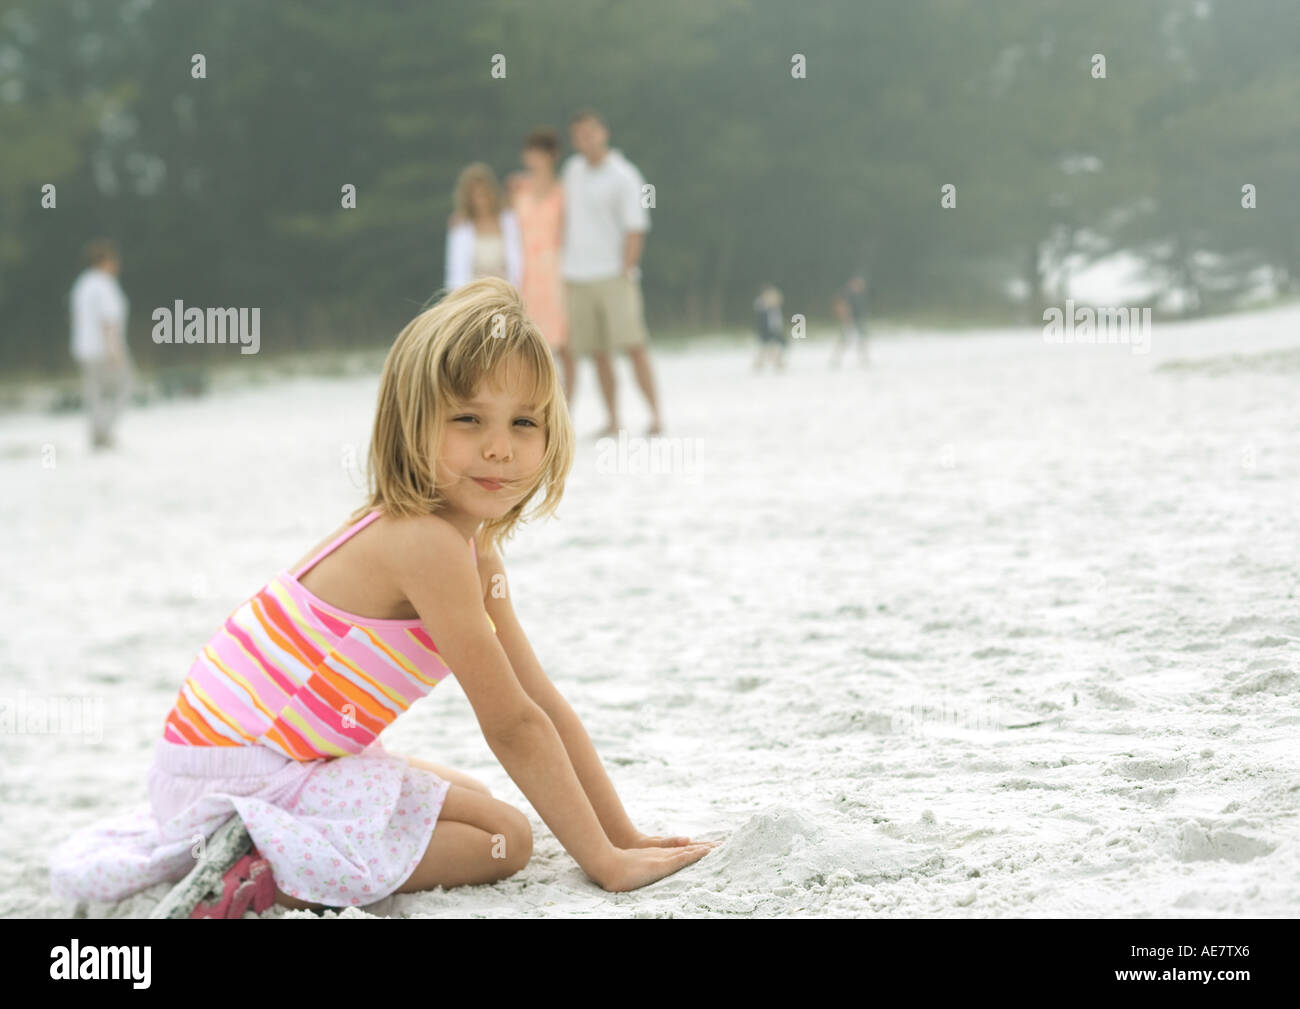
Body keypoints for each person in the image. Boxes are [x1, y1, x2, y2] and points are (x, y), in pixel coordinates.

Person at [47, 277, 719, 916]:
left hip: (243, 757)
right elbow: (510, 721)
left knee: (477, 803)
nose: (498, 448)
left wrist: (624, 835)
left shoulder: (468, 546)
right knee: (505, 839)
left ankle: (270, 843)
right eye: (467, 418)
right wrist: (602, 861)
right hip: (242, 772)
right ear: (411, 421)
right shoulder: (422, 543)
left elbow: (538, 697)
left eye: (524, 423)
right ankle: (260, 867)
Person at [560, 108, 663, 437]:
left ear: (604, 132)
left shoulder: (624, 175)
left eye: (590, 132)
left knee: (634, 346)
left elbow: (636, 227)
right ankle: (613, 420)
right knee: (596, 353)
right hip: (576, 275)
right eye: (578, 134)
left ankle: (656, 415)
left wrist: (626, 269)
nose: (585, 139)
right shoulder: (572, 171)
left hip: (614, 276)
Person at [507, 127, 574, 405]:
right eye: (530, 151)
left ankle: (567, 406)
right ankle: (535, 403)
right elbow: (504, 226)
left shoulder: (563, 192)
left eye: (541, 152)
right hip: (525, 272)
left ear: (552, 155)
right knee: (528, 342)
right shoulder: (517, 188)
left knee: (565, 344)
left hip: (556, 271)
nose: (534, 158)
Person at [69, 238, 132, 450]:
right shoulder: (105, 284)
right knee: (125, 385)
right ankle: (104, 432)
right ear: (104, 261)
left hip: (84, 348)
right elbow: (108, 320)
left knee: (94, 392)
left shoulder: (82, 283)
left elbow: (77, 317)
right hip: (104, 348)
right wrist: (114, 349)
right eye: (114, 259)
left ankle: (96, 434)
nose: (117, 264)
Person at [445, 163, 522, 292]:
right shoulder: (461, 228)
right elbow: (455, 272)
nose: (481, 200)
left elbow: (517, 263)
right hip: (474, 296)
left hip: (505, 293)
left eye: (484, 193)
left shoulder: (509, 221)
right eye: (476, 195)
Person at [830, 270, 870, 368]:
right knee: (845, 340)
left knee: (862, 339)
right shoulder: (846, 294)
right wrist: (846, 319)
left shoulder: (857, 295)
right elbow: (841, 307)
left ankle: (864, 359)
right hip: (850, 321)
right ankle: (836, 360)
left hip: (858, 320)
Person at [752, 283, 787, 372]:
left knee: (775, 347)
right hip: (765, 332)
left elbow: (777, 323)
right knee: (765, 348)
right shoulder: (762, 309)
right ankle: (760, 364)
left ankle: (777, 362)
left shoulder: (775, 310)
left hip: (774, 332)